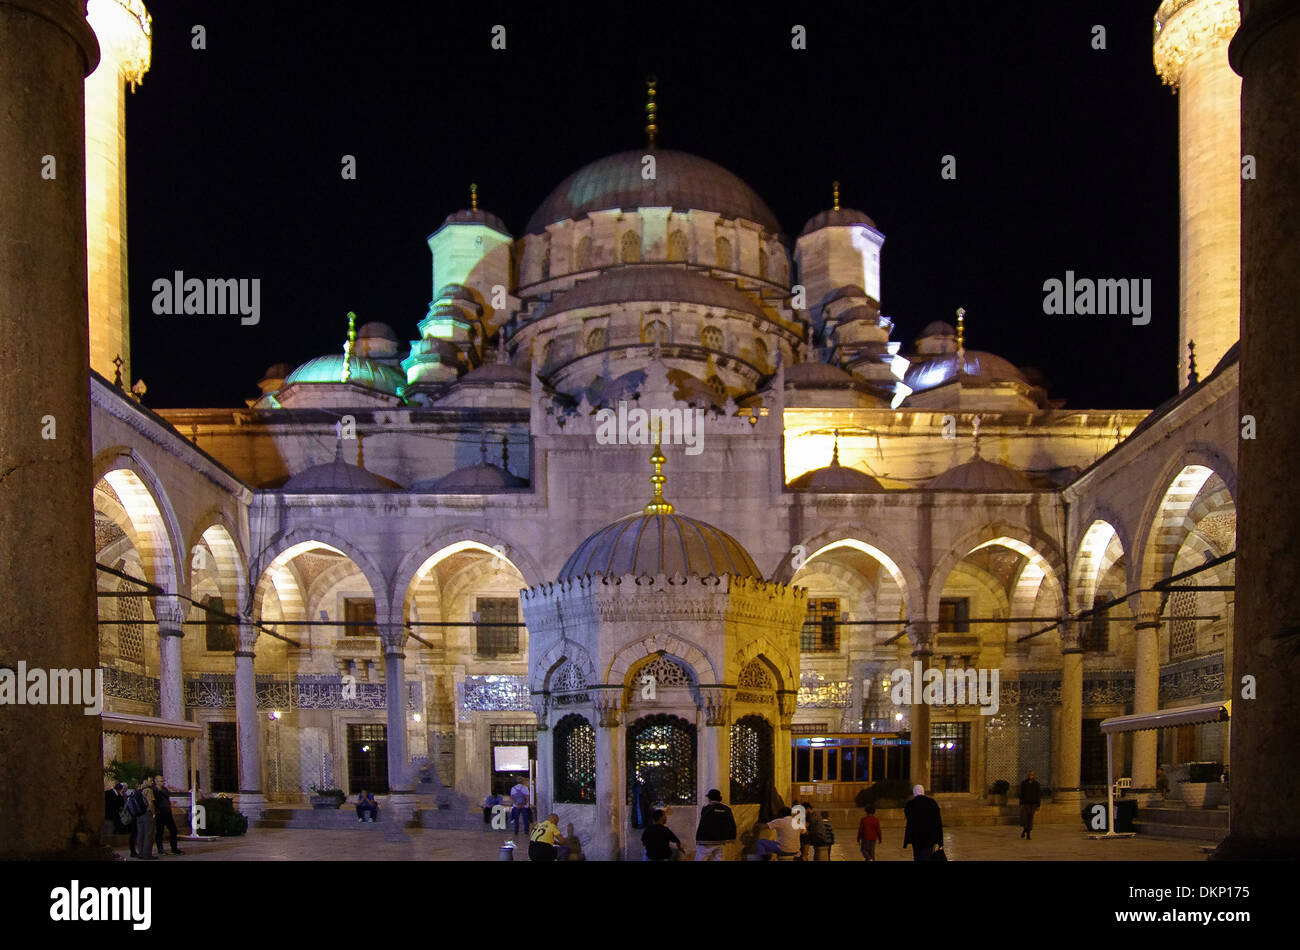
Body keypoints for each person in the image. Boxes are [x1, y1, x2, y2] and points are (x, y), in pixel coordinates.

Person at [902, 784, 944, 862]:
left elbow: (909, 819)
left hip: (916, 837)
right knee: (927, 856)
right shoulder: (932, 803)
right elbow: (938, 822)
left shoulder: (910, 805)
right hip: (930, 837)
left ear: (914, 792)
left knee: (917, 856)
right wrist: (940, 841)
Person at [694, 788, 737, 861]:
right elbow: (732, 823)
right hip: (721, 840)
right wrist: (732, 837)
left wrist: (699, 838)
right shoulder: (727, 809)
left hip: (706, 841)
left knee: (700, 858)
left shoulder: (707, 808)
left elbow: (703, 824)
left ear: (710, 798)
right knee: (718, 858)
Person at [152, 776, 183, 854]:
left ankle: (174, 848)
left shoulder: (165, 789)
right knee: (160, 831)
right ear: (156, 781)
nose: (162, 782)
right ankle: (160, 848)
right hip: (160, 813)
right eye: (160, 781)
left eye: (163, 781)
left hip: (167, 812)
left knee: (173, 830)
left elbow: (167, 799)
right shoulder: (154, 790)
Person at [132, 778, 157, 860]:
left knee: (140, 834)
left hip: (139, 815)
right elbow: (150, 803)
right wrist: (153, 813)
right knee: (149, 834)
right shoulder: (148, 790)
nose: (152, 782)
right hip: (147, 814)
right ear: (144, 781)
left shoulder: (137, 790)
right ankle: (147, 854)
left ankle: (141, 853)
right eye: (150, 780)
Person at [1019, 770, 1041, 840]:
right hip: (1025, 804)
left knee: (1030, 819)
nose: (1030, 776)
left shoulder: (1036, 784)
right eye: (1029, 775)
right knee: (1025, 819)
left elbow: (1038, 795)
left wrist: (1038, 805)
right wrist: (1021, 804)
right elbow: (1021, 794)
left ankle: (1028, 834)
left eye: (1032, 775)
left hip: (1033, 804)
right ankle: (1024, 830)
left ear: (1034, 776)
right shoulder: (1024, 783)